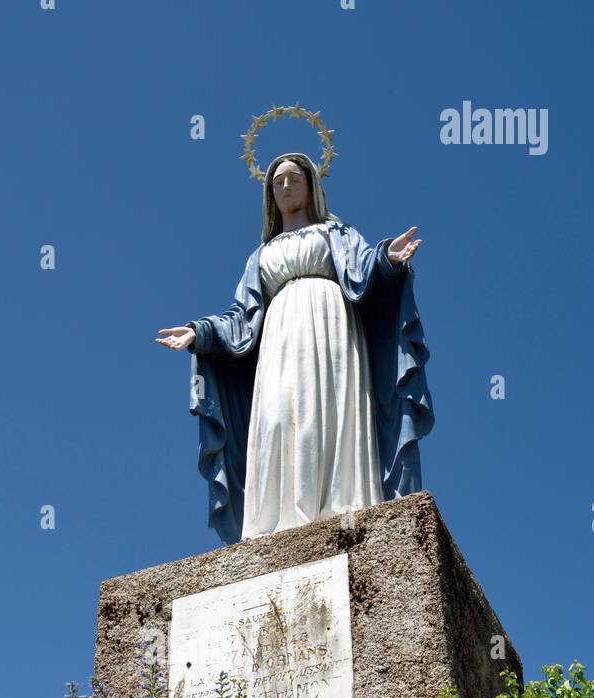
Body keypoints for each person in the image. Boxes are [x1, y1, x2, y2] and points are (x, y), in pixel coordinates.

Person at [156, 152, 434, 544]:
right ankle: (275, 519)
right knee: (277, 416)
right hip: (279, 338)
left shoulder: (335, 234)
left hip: (333, 327)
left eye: (294, 179)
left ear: (311, 186)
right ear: (270, 195)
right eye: (278, 182)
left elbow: (365, 267)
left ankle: (343, 503)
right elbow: (241, 316)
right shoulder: (260, 257)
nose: (286, 187)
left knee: (330, 408)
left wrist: (388, 258)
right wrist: (198, 333)